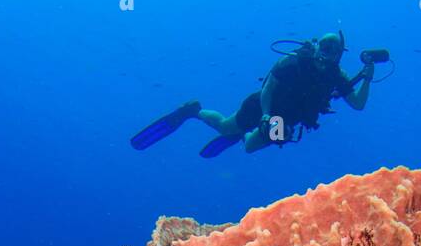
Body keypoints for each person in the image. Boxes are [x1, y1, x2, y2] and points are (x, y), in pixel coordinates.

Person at [130, 31, 377, 159]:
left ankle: (245, 135)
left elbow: (358, 103)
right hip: (262, 108)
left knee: (250, 147)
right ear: (317, 47)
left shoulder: (337, 76)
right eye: (325, 47)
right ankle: (194, 111)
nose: (327, 54)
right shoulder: (294, 63)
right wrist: (266, 115)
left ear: (339, 54)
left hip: (285, 121)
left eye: (333, 50)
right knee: (226, 127)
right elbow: (268, 88)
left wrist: (367, 76)